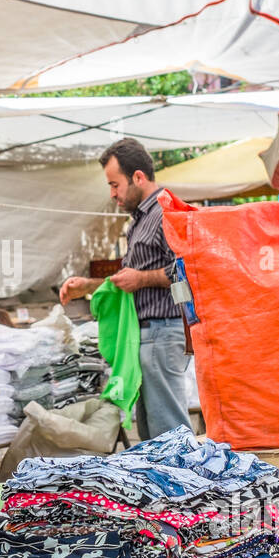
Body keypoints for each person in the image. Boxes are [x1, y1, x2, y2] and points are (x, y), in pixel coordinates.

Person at [59, 138, 190, 441]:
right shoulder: (139, 221)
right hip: (142, 336)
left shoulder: (165, 214)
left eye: (115, 184)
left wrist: (143, 280)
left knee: (168, 432)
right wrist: (89, 286)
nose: (113, 194)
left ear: (139, 178)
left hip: (164, 332)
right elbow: (130, 277)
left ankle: (185, 487)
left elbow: (186, 272)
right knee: (151, 433)